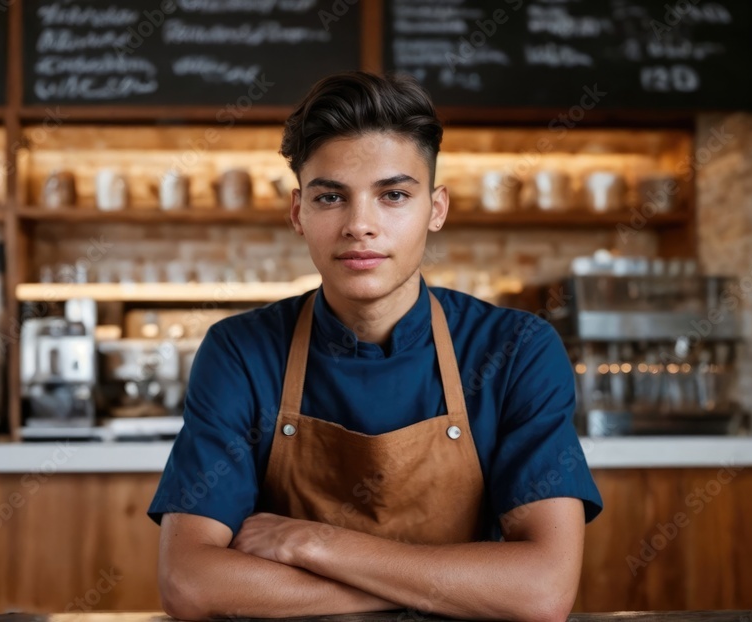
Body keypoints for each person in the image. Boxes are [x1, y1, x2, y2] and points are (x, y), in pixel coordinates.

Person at [147, 71, 603, 622]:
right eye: (331, 197)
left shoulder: (517, 349)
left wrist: (314, 545)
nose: (360, 225)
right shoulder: (240, 352)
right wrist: (446, 586)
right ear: (299, 213)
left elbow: (542, 591)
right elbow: (190, 584)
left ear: (435, 209)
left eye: (393, 195)